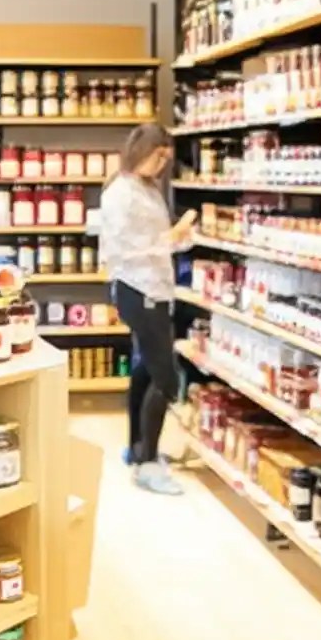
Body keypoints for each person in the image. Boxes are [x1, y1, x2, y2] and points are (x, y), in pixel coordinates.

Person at [100, 123, 196, 495]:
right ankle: (148, 464)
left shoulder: (148, 189)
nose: (161, 166)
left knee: (144, 370)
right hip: (137, 291)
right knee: (166, 379)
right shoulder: (120, 193)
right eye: (158, 157)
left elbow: (159, 239)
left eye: (166, 160)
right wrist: (168, 239)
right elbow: (120, 250)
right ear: (140, 150)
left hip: (155, 289)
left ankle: (137, 448)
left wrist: (179, 239)